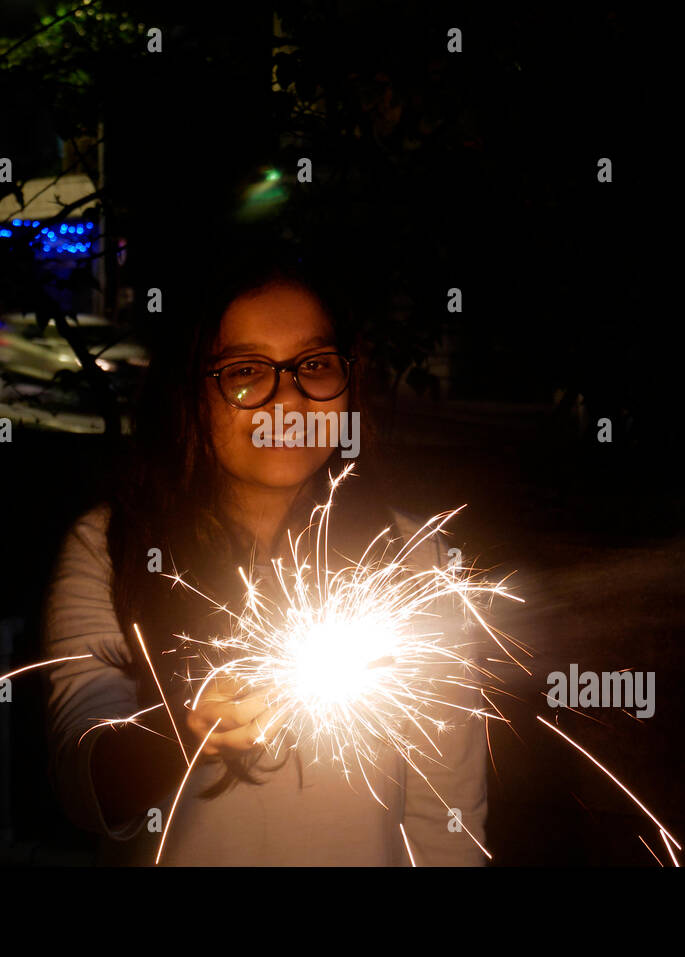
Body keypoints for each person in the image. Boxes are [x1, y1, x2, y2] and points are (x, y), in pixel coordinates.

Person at [40, 243, 487, 865]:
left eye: (315, 365)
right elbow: (82, 778)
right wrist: (180, 732)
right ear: (190, 395)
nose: (288, 399)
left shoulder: (416, 560)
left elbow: (447, 816)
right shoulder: (110, 546)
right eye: (246, 371)